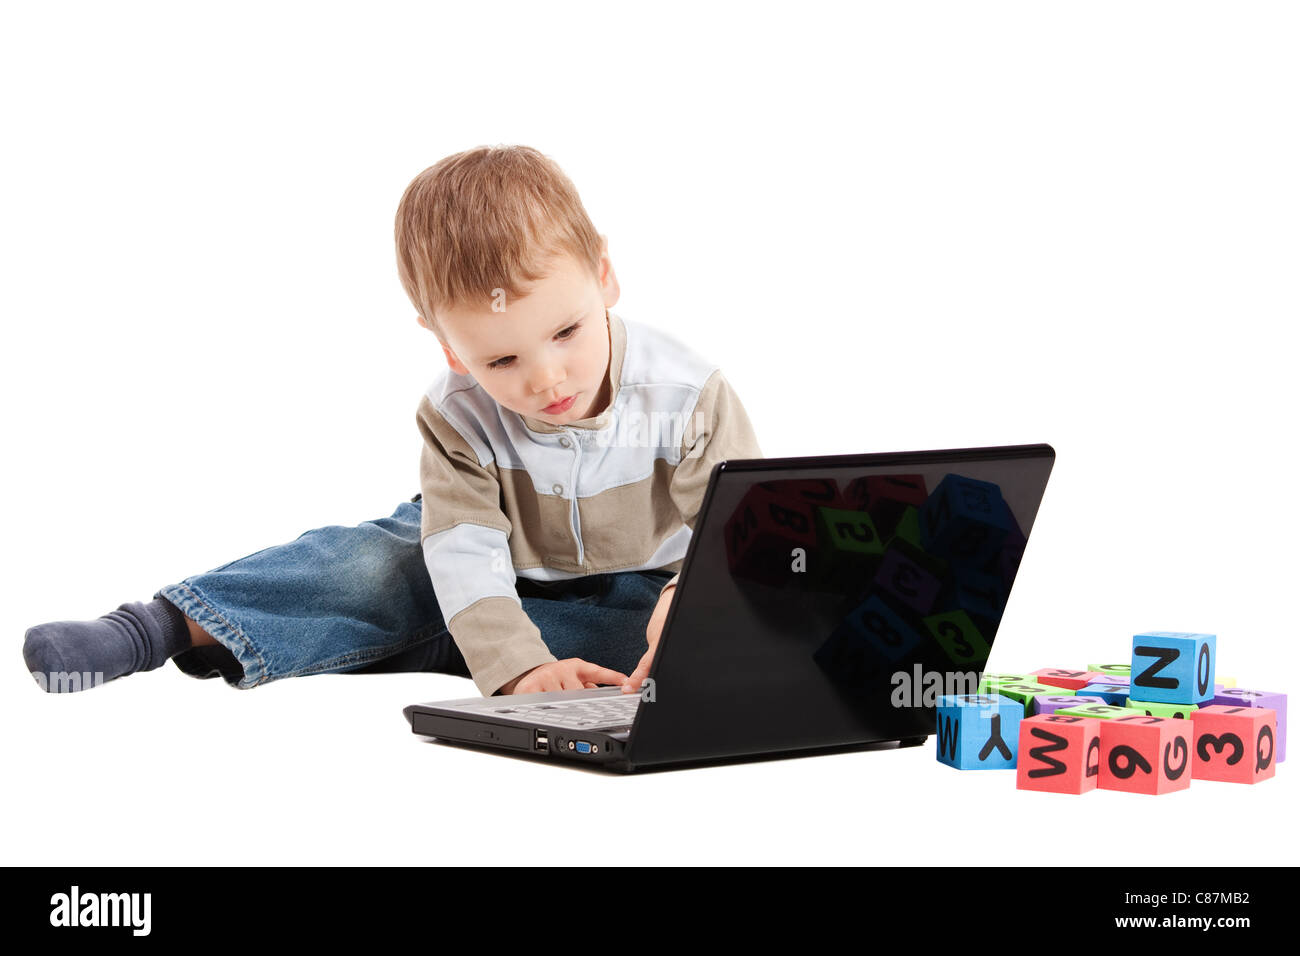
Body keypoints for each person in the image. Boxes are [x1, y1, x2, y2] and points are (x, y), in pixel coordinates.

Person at [23, 145, 762, 697]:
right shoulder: (455, 413)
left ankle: (451, 641)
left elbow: (739, 528)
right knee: (375, 569)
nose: (545, 379)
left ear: (603, 275)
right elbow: (466, 552)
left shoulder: (687, 392)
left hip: (636, 580)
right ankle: (157, 628)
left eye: (567, 332)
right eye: (500, 361)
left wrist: (686, 602)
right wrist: (521, 667)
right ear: (450, 347)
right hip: (472, 551)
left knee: (674, 630)